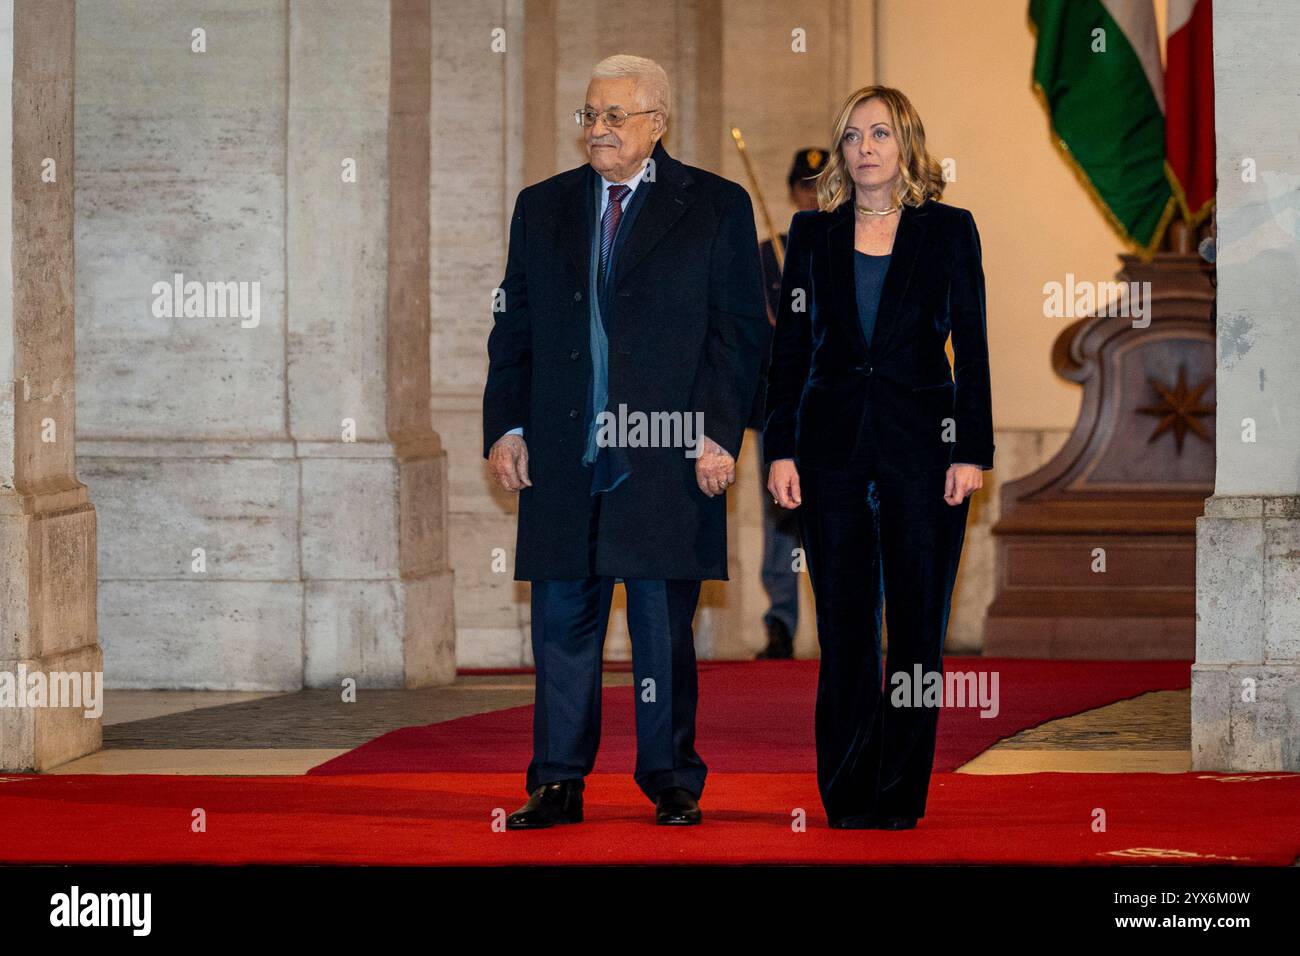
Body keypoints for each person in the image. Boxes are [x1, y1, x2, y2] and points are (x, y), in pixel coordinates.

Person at [483, 54, 766, 828]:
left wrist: (718, 435)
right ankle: (558, 781)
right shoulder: (542, 207)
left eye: (615, 117)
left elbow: (738, 336)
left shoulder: (714, 205)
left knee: (659, 628)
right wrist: (507, 426)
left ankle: (672, 779)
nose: (598, 130)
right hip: (564, 454)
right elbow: (514, 329)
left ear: (658, 123)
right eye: (589, 116)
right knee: (563, 625)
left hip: (668, 453)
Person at [763, 86, 994, 830]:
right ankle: (848, 790)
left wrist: (971, 450)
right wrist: (781, 449)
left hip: (926, 453)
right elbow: (789, 352)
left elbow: (974, 347)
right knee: (845, 628)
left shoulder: (949, 231)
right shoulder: (811, 233)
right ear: (842, 151)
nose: (866, 147)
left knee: (918, 629)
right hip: (829, 455)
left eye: (882, 134)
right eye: (854, 135)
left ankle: (899, 795)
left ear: (907, 147)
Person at [752, 149, 825, 660]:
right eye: (803, 186)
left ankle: (842, 622)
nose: (812, 195)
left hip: (832, 408)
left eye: (820, 185)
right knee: (780, 515)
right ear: (791, 191)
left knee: (833, 515)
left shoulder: (843, 248)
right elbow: (745, 333)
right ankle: (780, 621)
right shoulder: (766, 256)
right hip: (779, 408)